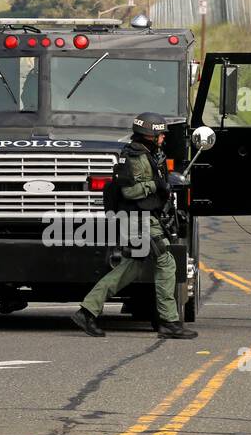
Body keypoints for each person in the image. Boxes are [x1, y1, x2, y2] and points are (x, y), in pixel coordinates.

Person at [72, 112, 196, 340]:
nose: (163, 139)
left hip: (143, 218)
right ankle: (169, 322)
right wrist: (155, 184)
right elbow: (129, 191)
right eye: (160, 134)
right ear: (150, 135)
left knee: (132, 267)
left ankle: (87, 311)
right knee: (166, 261)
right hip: (137, 220)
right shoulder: (135, 158)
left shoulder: (148, 154)